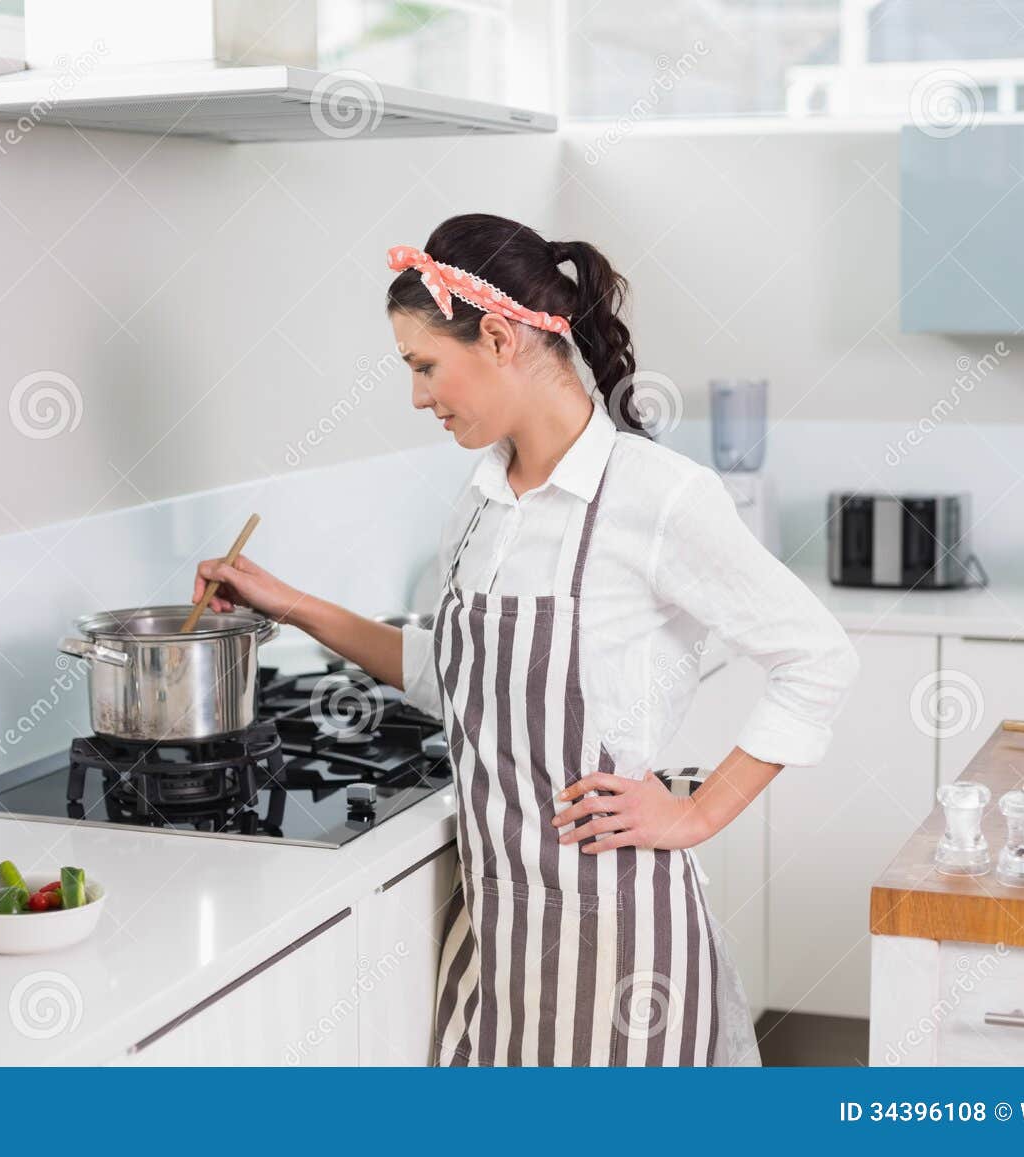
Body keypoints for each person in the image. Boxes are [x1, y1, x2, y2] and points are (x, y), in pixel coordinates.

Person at [194, 213, 858, 1066]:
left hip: (625, 949)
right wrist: (288, 603)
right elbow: (450, 675)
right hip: (502, 939)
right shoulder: (480, 502)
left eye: (424, 366)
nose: (418, 396)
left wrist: (696, 811)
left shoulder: (655, 496)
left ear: (501, 337)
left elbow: (818, 657)